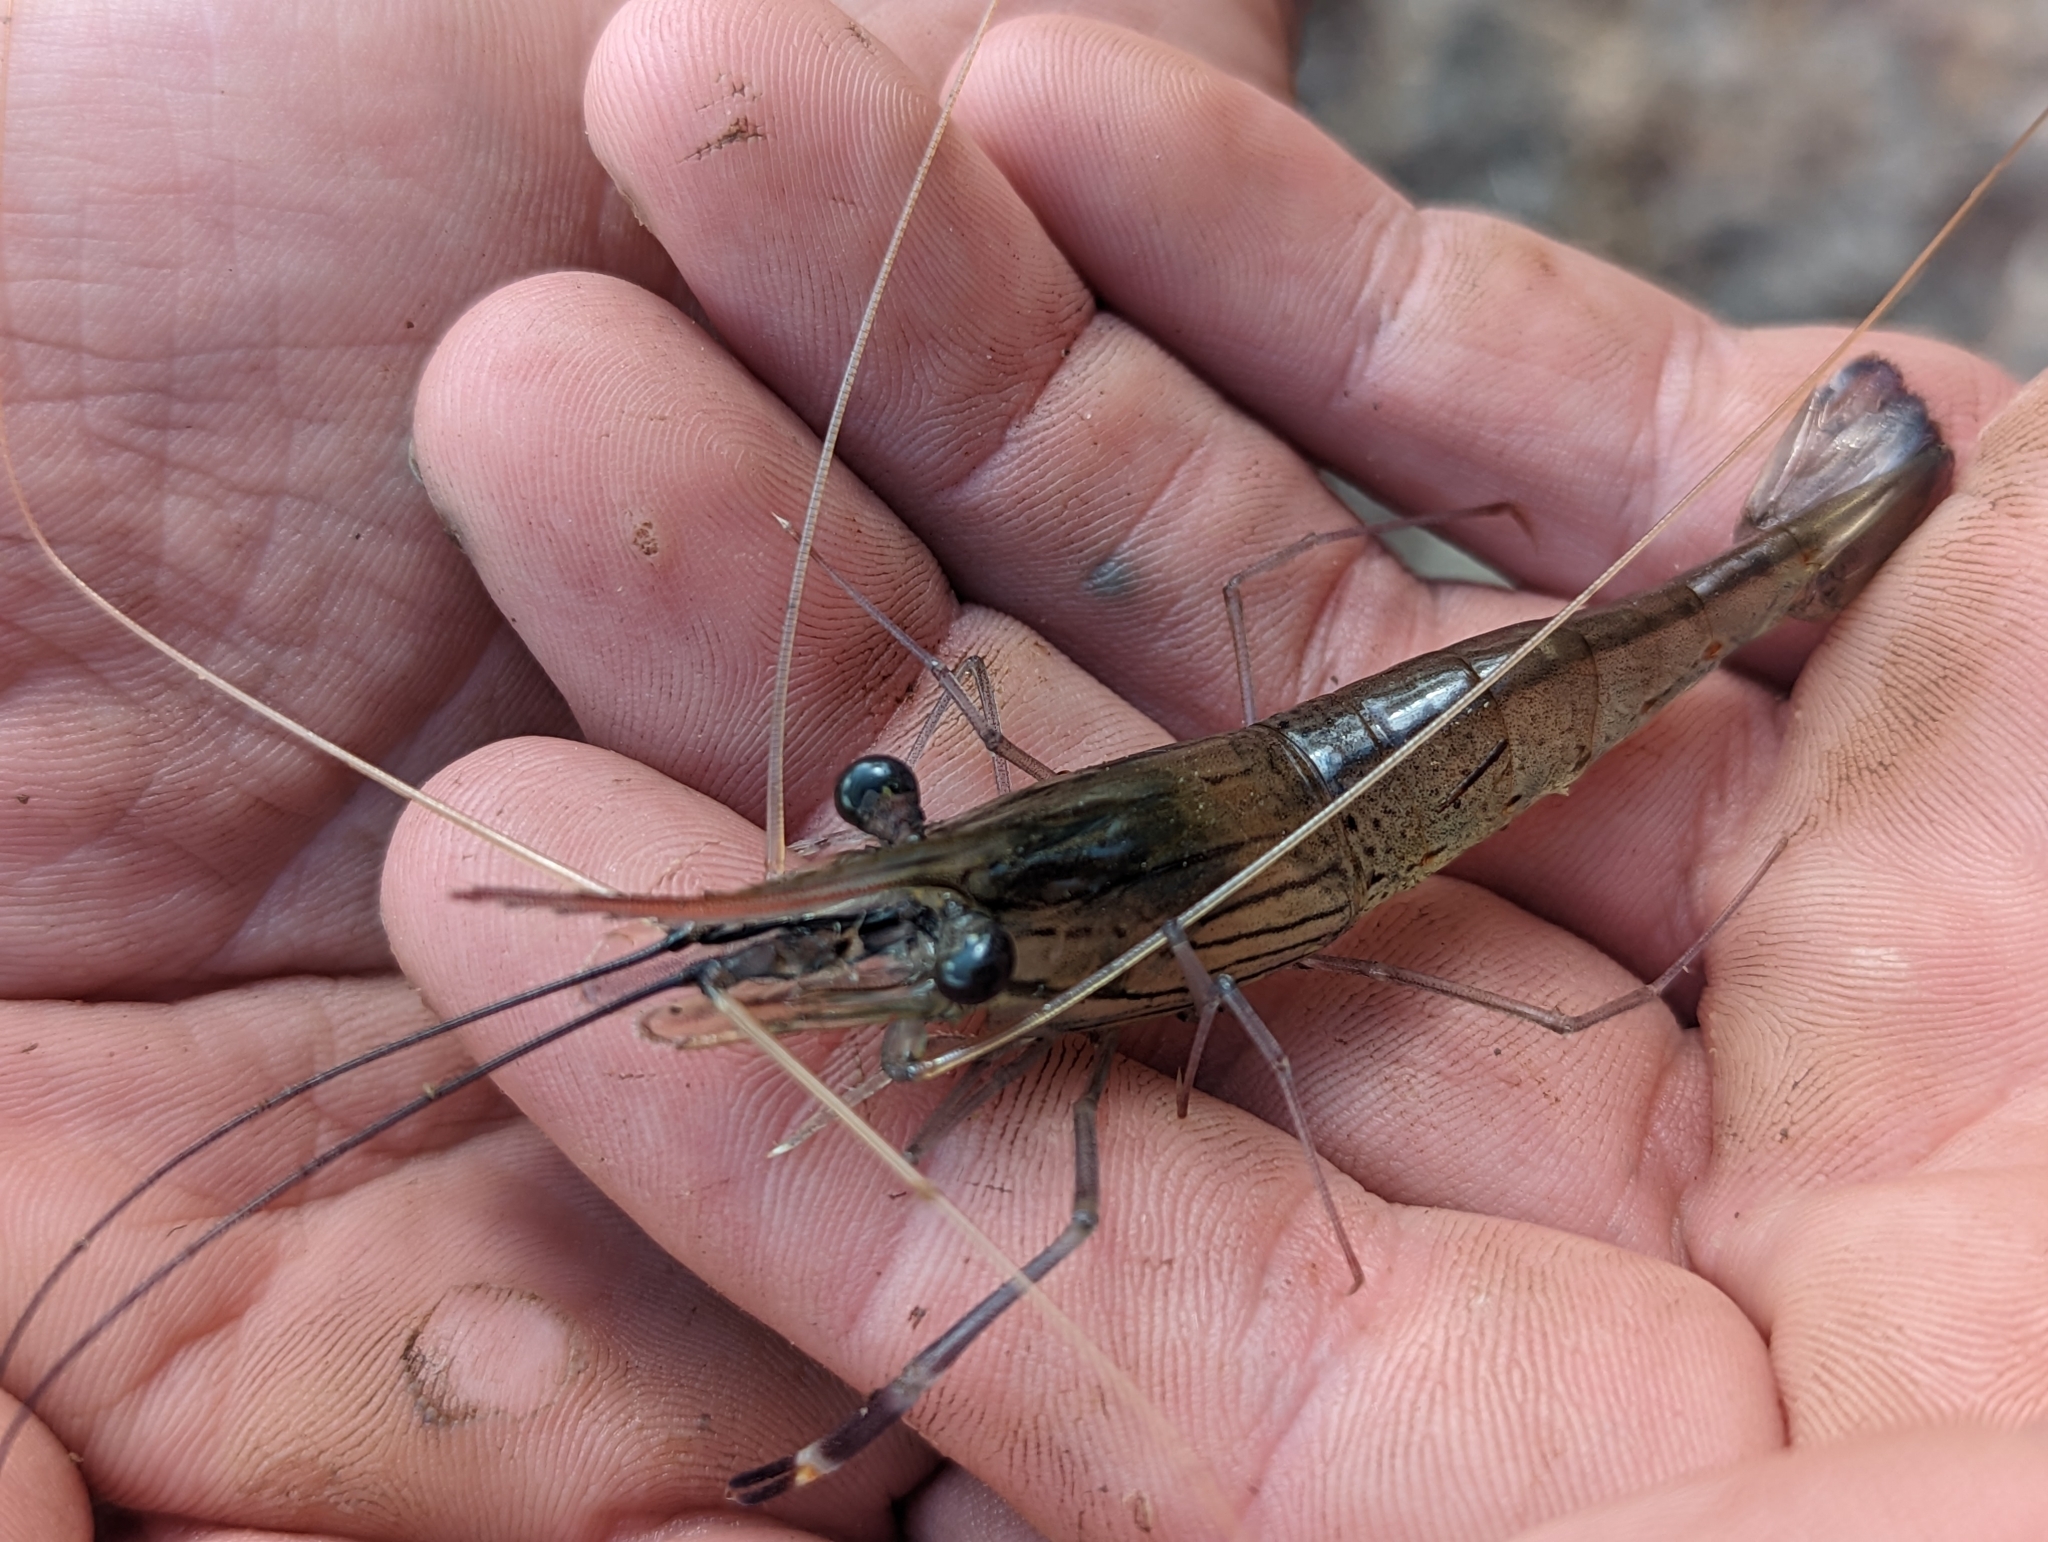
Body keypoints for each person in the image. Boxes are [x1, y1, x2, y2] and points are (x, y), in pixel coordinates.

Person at [5, 2, 2046, 1538]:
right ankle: (1799, 528)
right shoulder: (957, 884)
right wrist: (865, 928)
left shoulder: (1275, 936)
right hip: (1258, 769)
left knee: (1072, 1225)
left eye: (968, 974)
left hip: (1405, 765)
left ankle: (1798, 541)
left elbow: (1208, 1075)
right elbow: (953, 879)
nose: (925, 958)